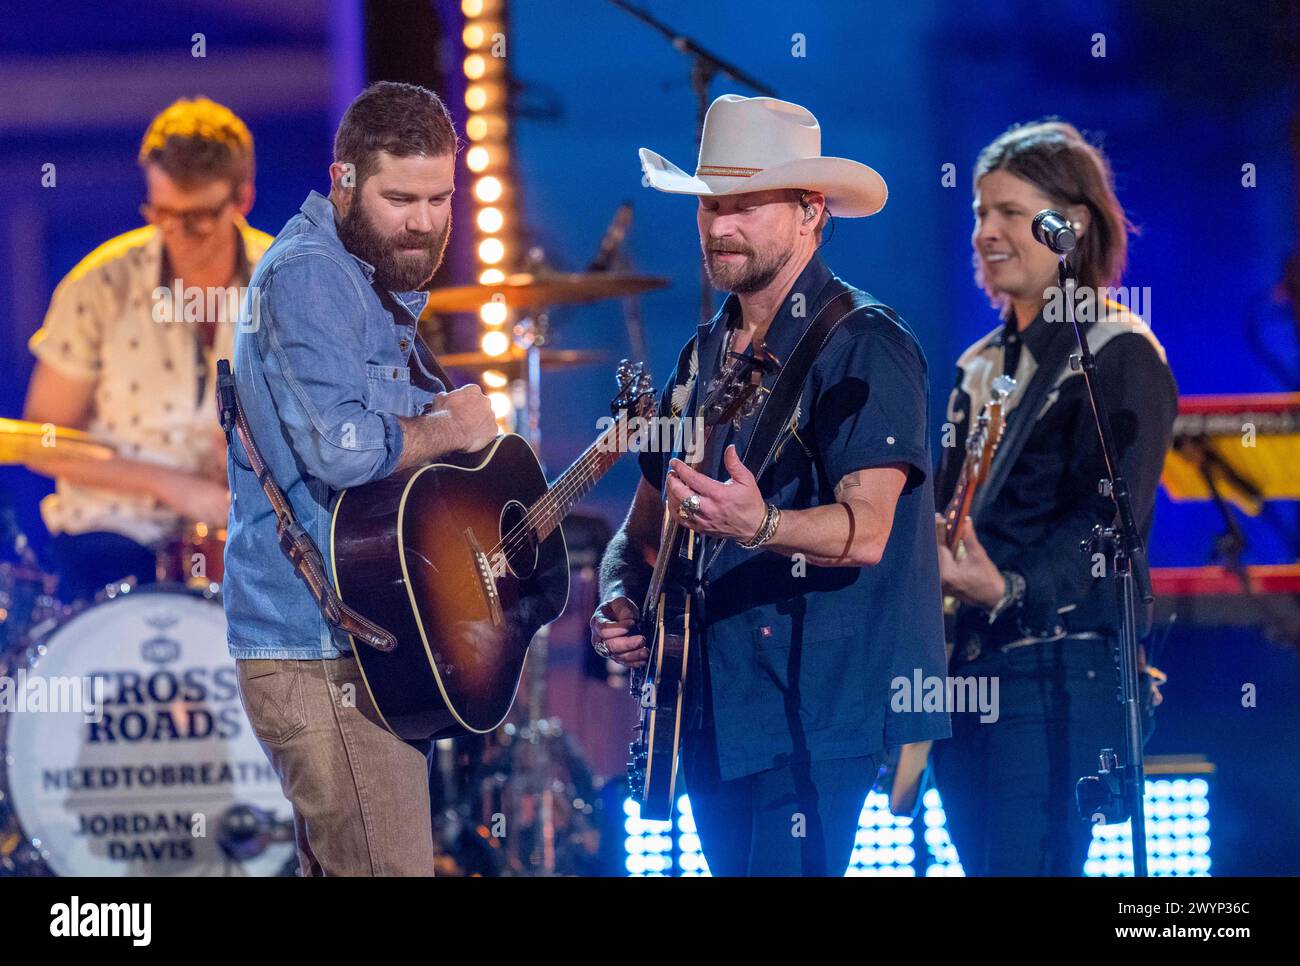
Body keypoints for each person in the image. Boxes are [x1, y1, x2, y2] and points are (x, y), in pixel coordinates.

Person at [590, 94, 949, 876]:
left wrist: (761, 526)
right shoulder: (700, 353)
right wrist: (618, 594)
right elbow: (644, 529)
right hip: (716, 705)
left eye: (746, 206)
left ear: (811, 211)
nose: (719, 227)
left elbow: (871, 529)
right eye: (711, 204)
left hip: (815, 709)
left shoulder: (866, 343)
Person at [223, 81, 497, 876]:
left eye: (440, 197)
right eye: (399, 197)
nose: (423, 220)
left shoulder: (361, 278)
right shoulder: (311, 276)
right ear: (343, 180)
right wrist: (451, 427)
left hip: (356, 646)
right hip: (320, 654)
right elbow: (343, 450)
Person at [931, 119, 1178, 876]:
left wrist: (1009, 585)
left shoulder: (1117, 349)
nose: (986, 231)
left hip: (1056, 679)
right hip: (964, 675)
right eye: (979, 213)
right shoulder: (977, 367)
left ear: (1067, 223)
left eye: (1009, 212)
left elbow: (1110, 527)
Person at [24, 97, 268, 602]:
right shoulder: (101, 284)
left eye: (197, 217)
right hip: (113, 537)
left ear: (242, 198)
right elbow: (42, 439)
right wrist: (171, 485)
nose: (175, 234)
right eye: (161, 212)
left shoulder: (286, 281)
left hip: (249, 535)